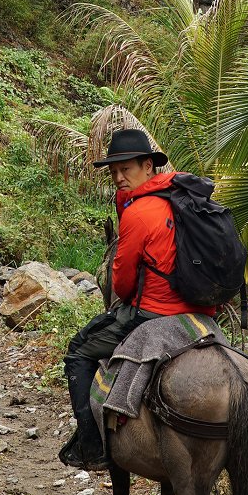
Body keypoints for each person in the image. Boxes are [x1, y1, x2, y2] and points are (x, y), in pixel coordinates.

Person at [59, 127, 217, 471]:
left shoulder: (138, 211)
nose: (118, 177)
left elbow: (125, 284)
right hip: (203, 311)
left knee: (78, 351)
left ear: (148, 166)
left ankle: (92, 445)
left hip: (155, 314)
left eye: (125, 168)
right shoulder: (187, 201)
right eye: (114, 171)